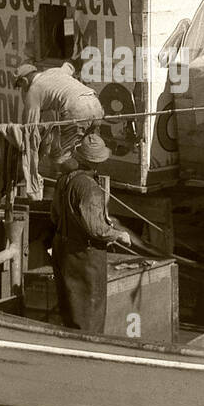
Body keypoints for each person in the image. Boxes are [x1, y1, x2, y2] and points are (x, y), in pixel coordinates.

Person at [48, 133, 130, 334]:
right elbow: (97, 230)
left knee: (69, 311)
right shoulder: (90, 188)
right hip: (85, 256)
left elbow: (55, 216)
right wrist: (118, 235)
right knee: (89, 316)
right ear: (99, 161)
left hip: (62, 247)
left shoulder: (64, 180)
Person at [15, 60, 105, 164]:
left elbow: (30, 127)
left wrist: (27, 150)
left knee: (60, 155)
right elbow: (69, 67)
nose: (21, 89)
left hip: (77, 109)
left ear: (24, 80)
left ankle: (66, 178)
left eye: (19, 86)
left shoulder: (33, 90)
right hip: (95, 103)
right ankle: (88, 175)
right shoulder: (55, 71)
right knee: (89, 147)